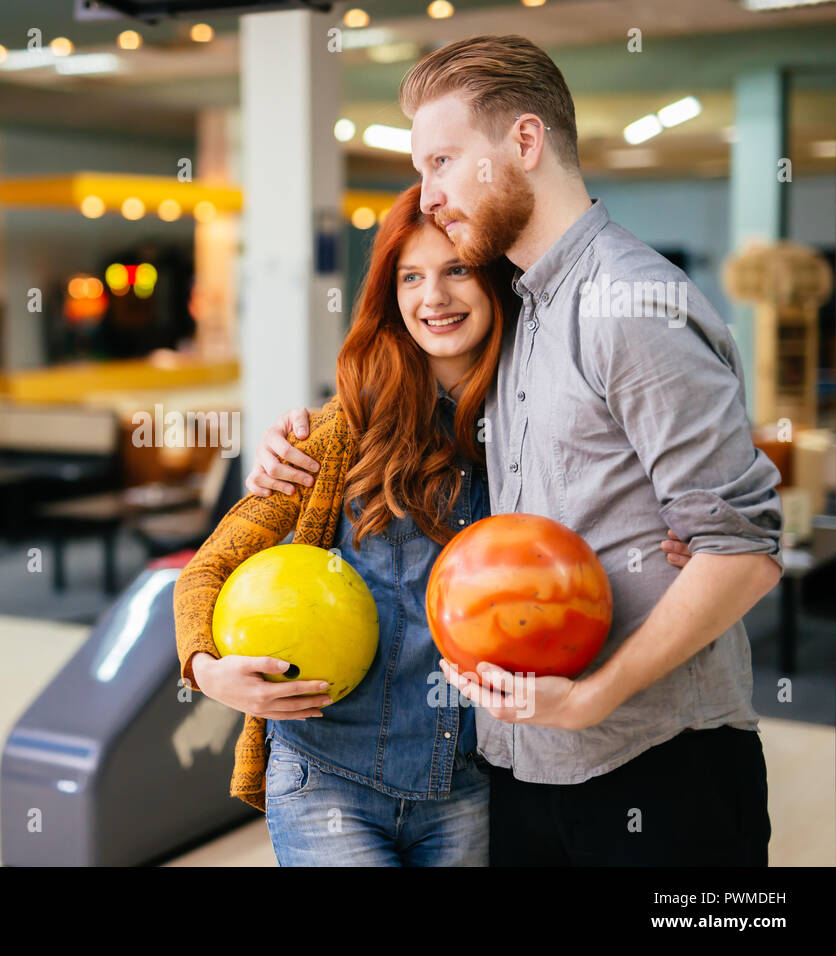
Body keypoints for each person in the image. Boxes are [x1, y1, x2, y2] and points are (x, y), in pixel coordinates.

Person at [246, 35, 782, 866]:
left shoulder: (627, 305)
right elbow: (410, 411)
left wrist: (594, 695)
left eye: (444, 162)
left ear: (524, 144)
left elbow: (741, 553)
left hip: (653, 761)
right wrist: (295, 443)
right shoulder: (522, 314)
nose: (430, 195)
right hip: (523, 768)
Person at [176, 184, 691, 866]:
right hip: (329, 777)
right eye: (410, 277)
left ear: (497, 280)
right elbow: (206, 569)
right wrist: (209, 674)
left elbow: (606, 522)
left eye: (456, 271)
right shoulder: (335, 435)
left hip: (470, 786)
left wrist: (669, 536)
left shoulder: (540, 428)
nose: (433, 297)